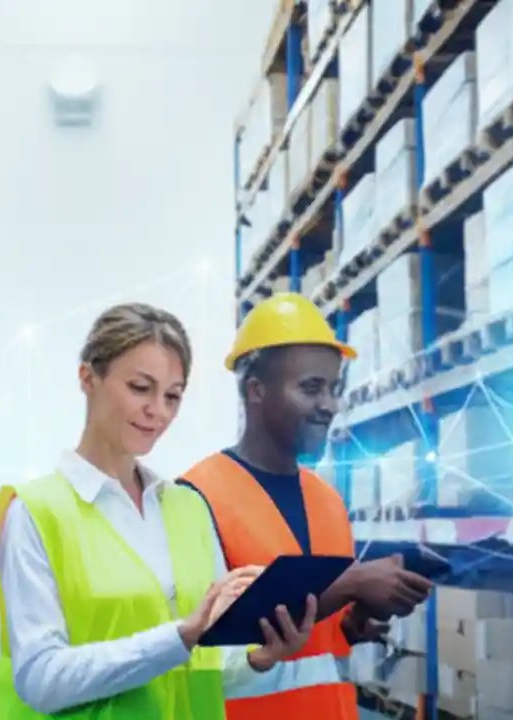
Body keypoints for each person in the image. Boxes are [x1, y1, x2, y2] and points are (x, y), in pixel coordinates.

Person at [0, 302, 319, 719]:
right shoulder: (35, 513)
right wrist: (179, 637)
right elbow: (40, 678)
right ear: (88, 378)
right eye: (140, 388)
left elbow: (209, 664)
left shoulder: (187, 507)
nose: (158, 411)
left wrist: (260, 655)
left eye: (172, 396)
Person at [181, 292, 435, 720]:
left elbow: (317, 646)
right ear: (255, 391)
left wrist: (354, 623)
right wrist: (352, 583)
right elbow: (202, 654)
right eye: (310, 388)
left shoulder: (328, 501)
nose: (329, 405)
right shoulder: (196, 497)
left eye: (334, 388)